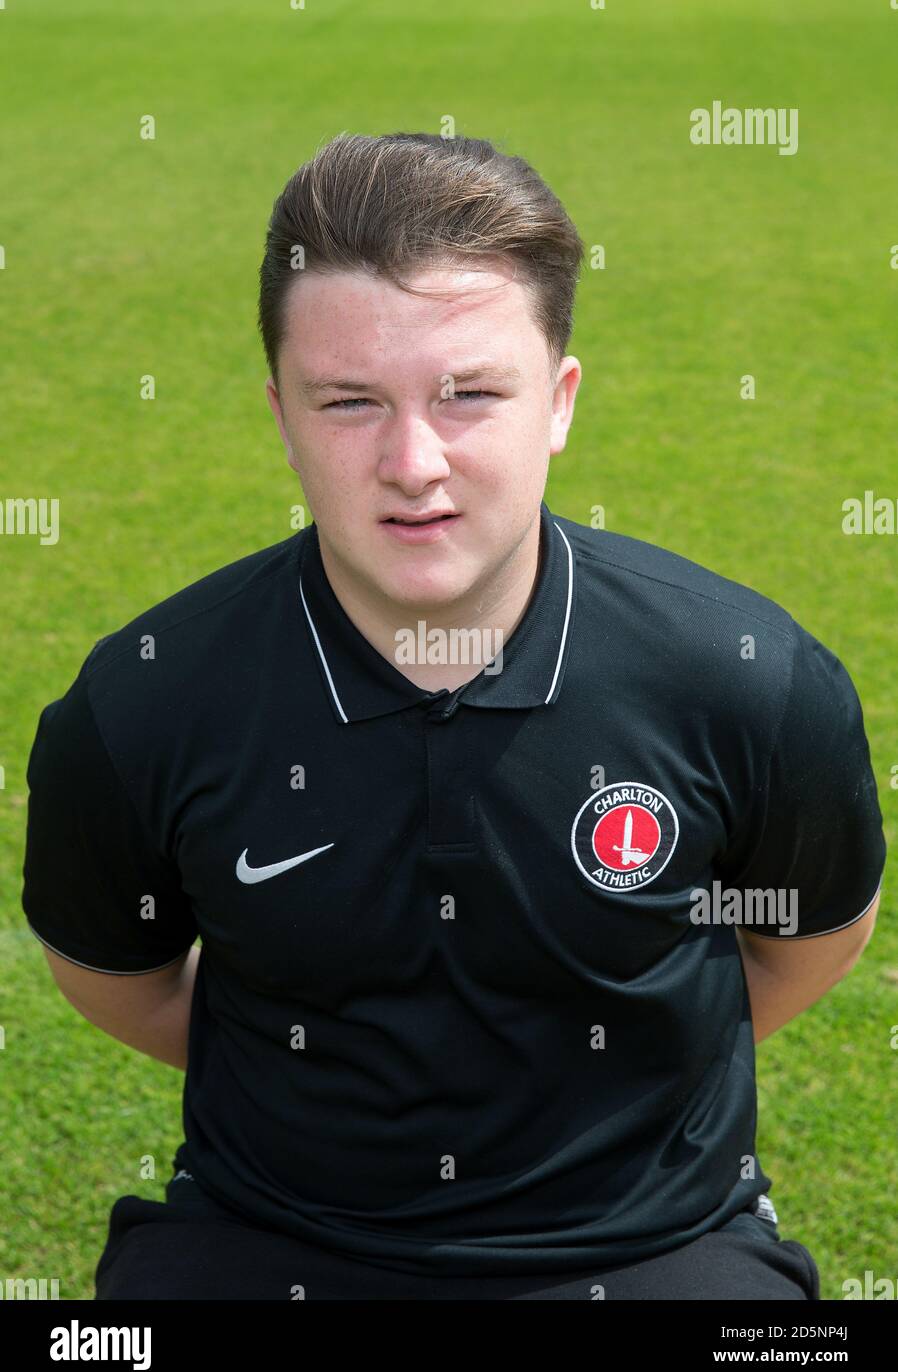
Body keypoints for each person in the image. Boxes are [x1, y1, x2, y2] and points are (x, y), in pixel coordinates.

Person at [22, 131, 885, 1301]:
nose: (412, 461)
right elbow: (120, 974)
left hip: (655, 1247)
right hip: (270, 1240)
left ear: (560, 402)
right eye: (350, 402)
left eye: (469, 394)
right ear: (280, 414)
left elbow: (808, 935)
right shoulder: (143, 702)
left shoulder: (749, 679)